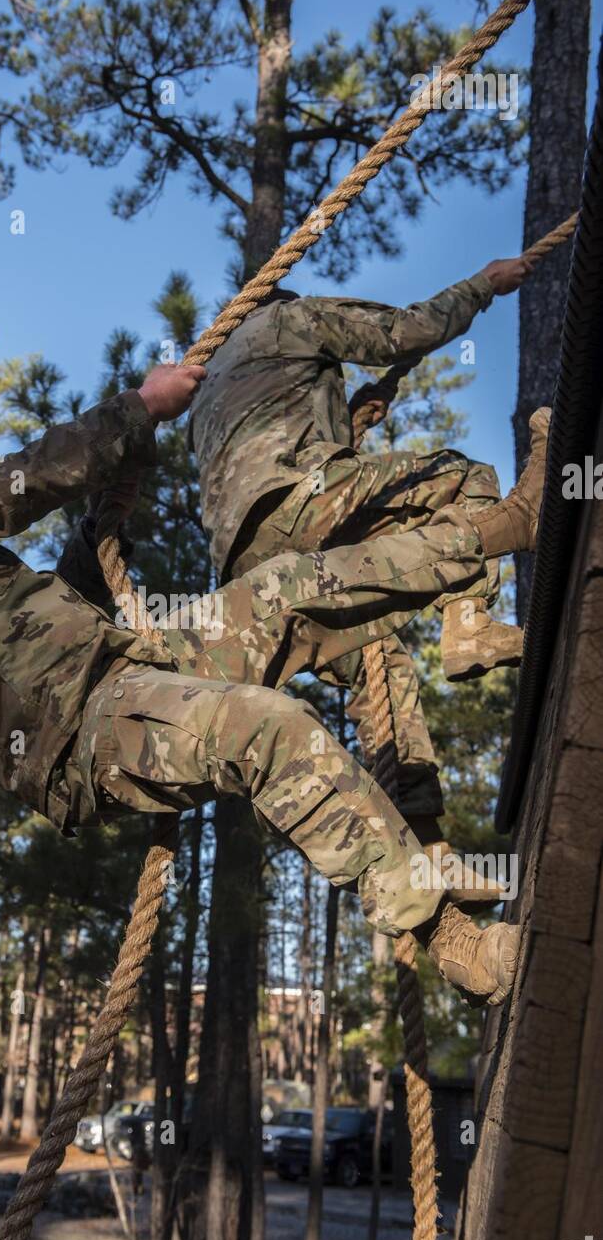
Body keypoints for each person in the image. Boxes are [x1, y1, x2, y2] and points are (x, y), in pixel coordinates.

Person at [0, 364, 547, 1004]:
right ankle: (453, 945)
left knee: (289, 591)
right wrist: (139, 408)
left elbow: (49, 624)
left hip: (115, 670)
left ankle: (508, 525)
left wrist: (104, 519)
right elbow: (10, 487)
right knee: (269, 729)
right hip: (91, 725)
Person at [187, 255, 533, 858]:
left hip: (248, 568)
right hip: (302, 500)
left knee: (379, 659)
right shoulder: (291, 318)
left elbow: (266, 440)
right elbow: (402, 330)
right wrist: (483, 285)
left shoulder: (210, 380)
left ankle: (424, 845)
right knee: (461, 477)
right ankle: (469, 623)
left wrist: (351, 419)